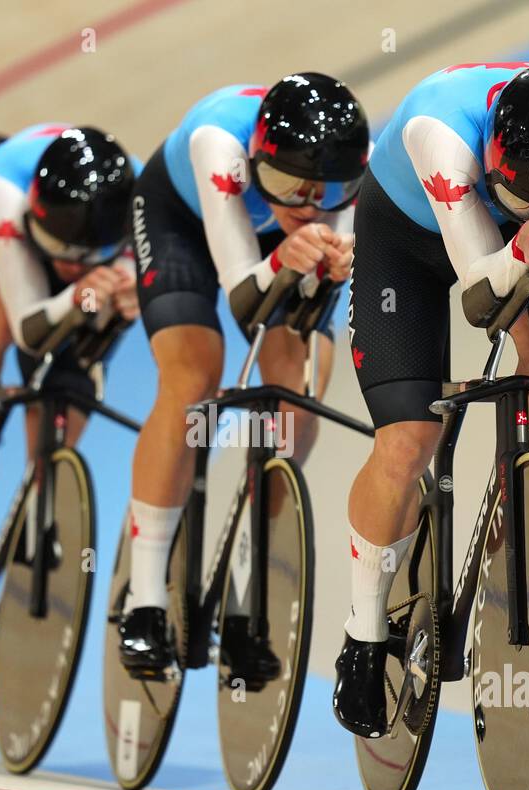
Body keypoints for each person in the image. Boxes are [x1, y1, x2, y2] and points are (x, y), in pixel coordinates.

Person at [335, 63, 529, 737]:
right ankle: (362, 637)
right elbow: (480, 299)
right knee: (409, 440)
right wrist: (525, 241)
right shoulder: (437, 129)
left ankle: (524, 490)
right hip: (408, 240)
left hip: (518, 236)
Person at [115, 73, 369, 678]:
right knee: (192, 380)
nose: (303, 204)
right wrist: (286, 254)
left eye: (324, 193)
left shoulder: (346, 177)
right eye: (284, 185)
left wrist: (326, 264)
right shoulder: (217, 142)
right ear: (256, 158)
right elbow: (246, 303)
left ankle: (242, 588)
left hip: (273, 251)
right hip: (184, 226)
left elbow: (309, 306)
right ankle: (144, 601)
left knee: (297, 397)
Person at [0, 125, 141, 558]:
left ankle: (40, 499)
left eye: (84, 258)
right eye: (62, 253)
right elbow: (28, 332)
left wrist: (126, 288)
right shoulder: (5, 187)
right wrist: (76, 292)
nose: (71, 266)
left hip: (79, 237)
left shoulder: (140, 199)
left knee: (78, 371)